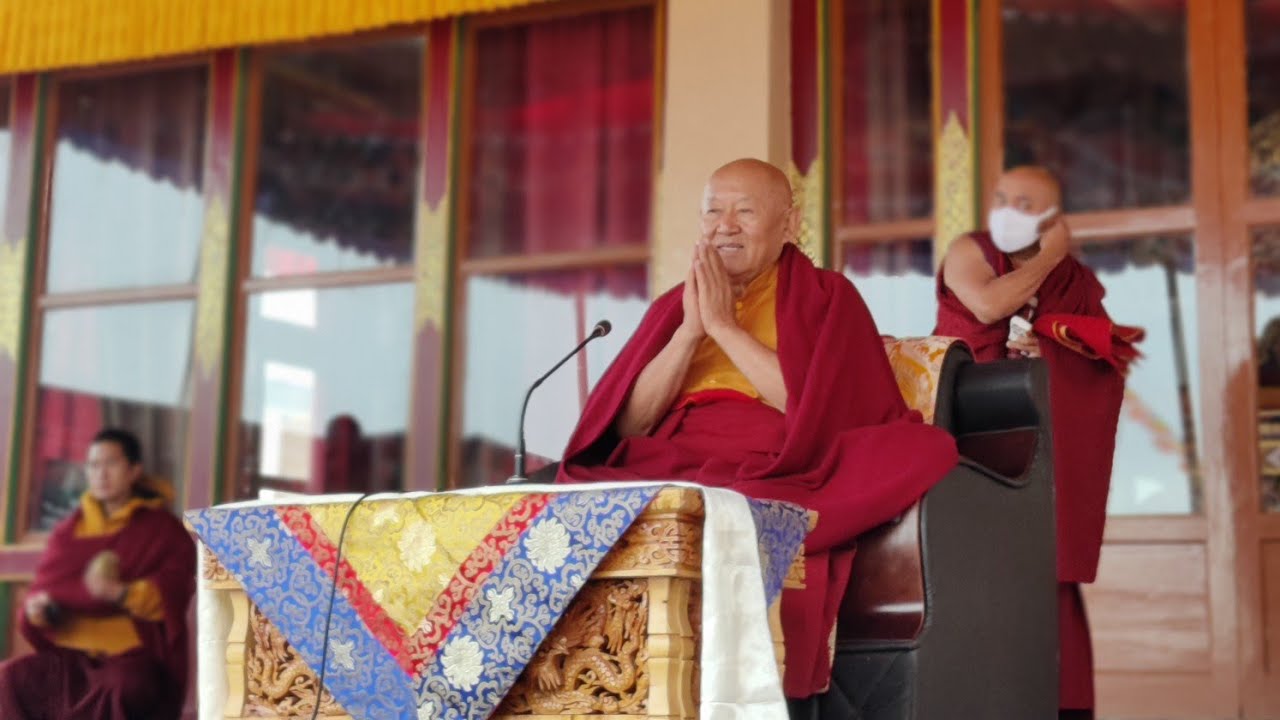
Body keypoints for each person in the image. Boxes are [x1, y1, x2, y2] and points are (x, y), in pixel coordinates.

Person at [556, 158, 959, 699]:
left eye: (745, 211)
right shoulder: (676, 305)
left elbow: (814, 411)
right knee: (561, 502)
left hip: (770, 459)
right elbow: (629, 425)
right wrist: (689, 334)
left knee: (916, 451)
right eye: (713, 211)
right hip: (672, 460)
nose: (725, 225)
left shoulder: (827, 296)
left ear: (789, 224)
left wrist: (723, 328)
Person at [935, 166, 1142, 720]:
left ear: (1052, 218)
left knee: (1044, 578)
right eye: (1000, 197)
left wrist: (1053, 359)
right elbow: (984, 307)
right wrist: (1051, 258)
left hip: (1039, 444)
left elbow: (1102, 365)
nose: (1006, 209)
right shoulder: (968, 250)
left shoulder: (1074, 282)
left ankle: (1061, 705)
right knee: (971, 569)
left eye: (1023, 203)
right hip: (964, 431)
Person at [0, 428, 196, 719]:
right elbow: (40, 597)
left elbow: (175, 591)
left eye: (111, 464)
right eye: (93, 465)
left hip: (131, 655)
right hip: (70, 656)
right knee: (10, 677)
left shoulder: (162, 530)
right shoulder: (69, 531)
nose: (101, 474)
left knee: (123, 685)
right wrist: (36, 612)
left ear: (134, 470)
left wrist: (120, 592)